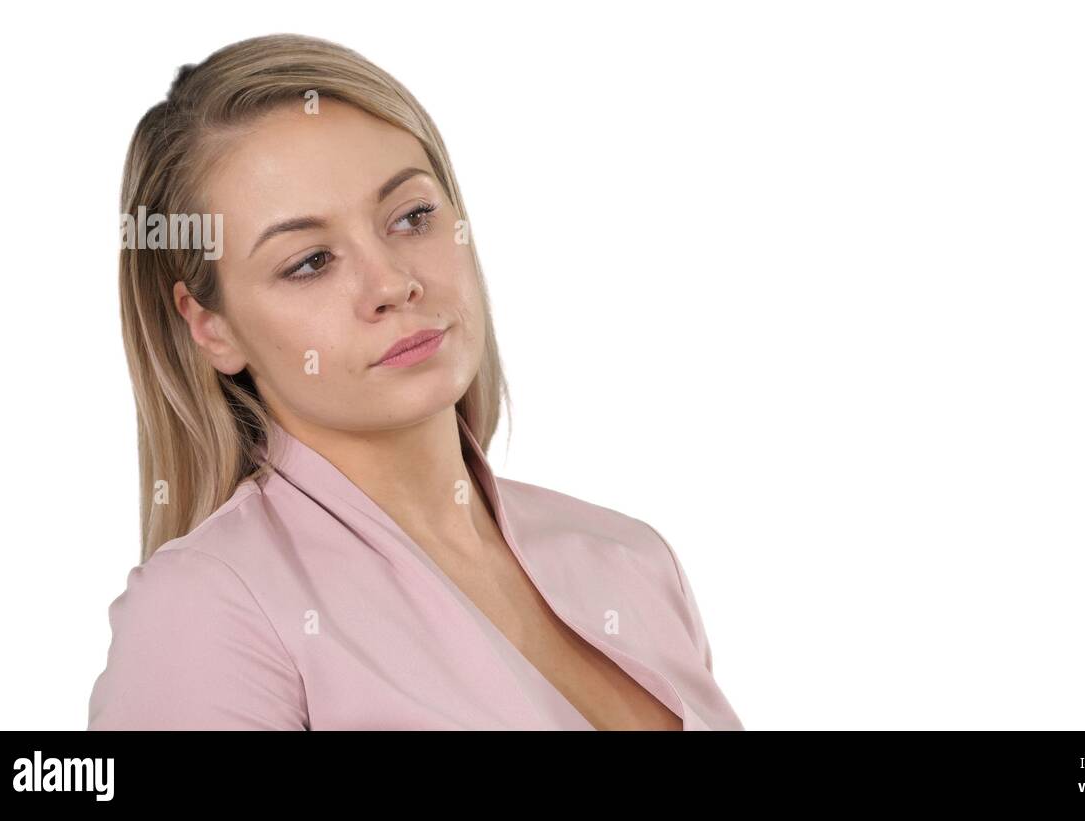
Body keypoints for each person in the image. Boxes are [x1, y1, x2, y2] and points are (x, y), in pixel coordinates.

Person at [89, 33, 743, 731]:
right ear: (210, 326)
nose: (394, 283)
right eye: (310, 261)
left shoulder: (631, 560)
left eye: (411, 217)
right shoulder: (206, 612)